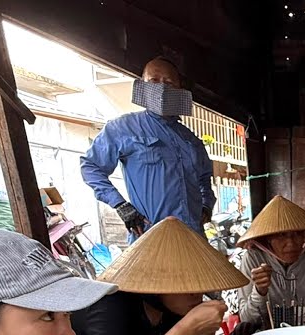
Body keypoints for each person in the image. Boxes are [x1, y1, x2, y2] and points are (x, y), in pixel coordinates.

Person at [37, 217, 245, 335]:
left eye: (199, 283)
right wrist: (187, 328)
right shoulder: (111, 302)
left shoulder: (171, 309)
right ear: (155, 283)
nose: (197, 293)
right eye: (185, 284)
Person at [81, 57, 214, 237]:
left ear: (179, 89)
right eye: (154, 81)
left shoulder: (190, 139)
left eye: (169, 82)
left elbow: (205, 178)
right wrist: (120, 205)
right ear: (142, 86)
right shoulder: (123, 128)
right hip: (150, 238)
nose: (162, 88)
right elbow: (91, 166)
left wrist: (206, 205)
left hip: (193, 237)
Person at [223, 195, 305, 335]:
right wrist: (259, 291)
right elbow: (247, 319)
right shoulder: (253, 259)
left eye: (297, 234)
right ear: (268, 238)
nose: (291, 243)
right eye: (281, 235)